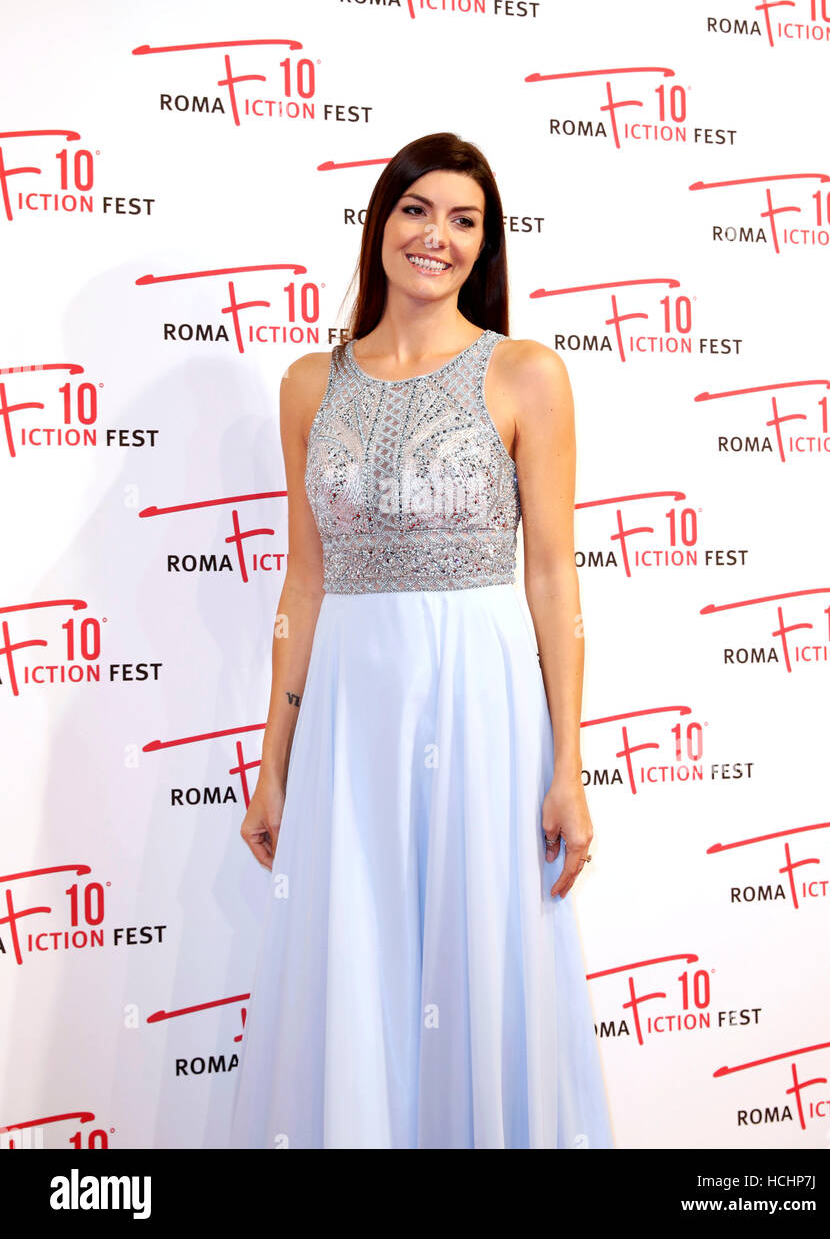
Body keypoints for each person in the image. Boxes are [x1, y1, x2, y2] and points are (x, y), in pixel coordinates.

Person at [228, 131, 615, 1150]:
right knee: (355, 958)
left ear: (482, 246)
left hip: (480, 705)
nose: (434, 236)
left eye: (461, 219)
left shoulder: (526, 371)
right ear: (381, 220)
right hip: (354, 717)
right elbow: (303, 583)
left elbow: (550, 573)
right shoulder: (310, 386)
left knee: (479, 955)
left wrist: (568, 763)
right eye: (415, 209)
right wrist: (273, 762)